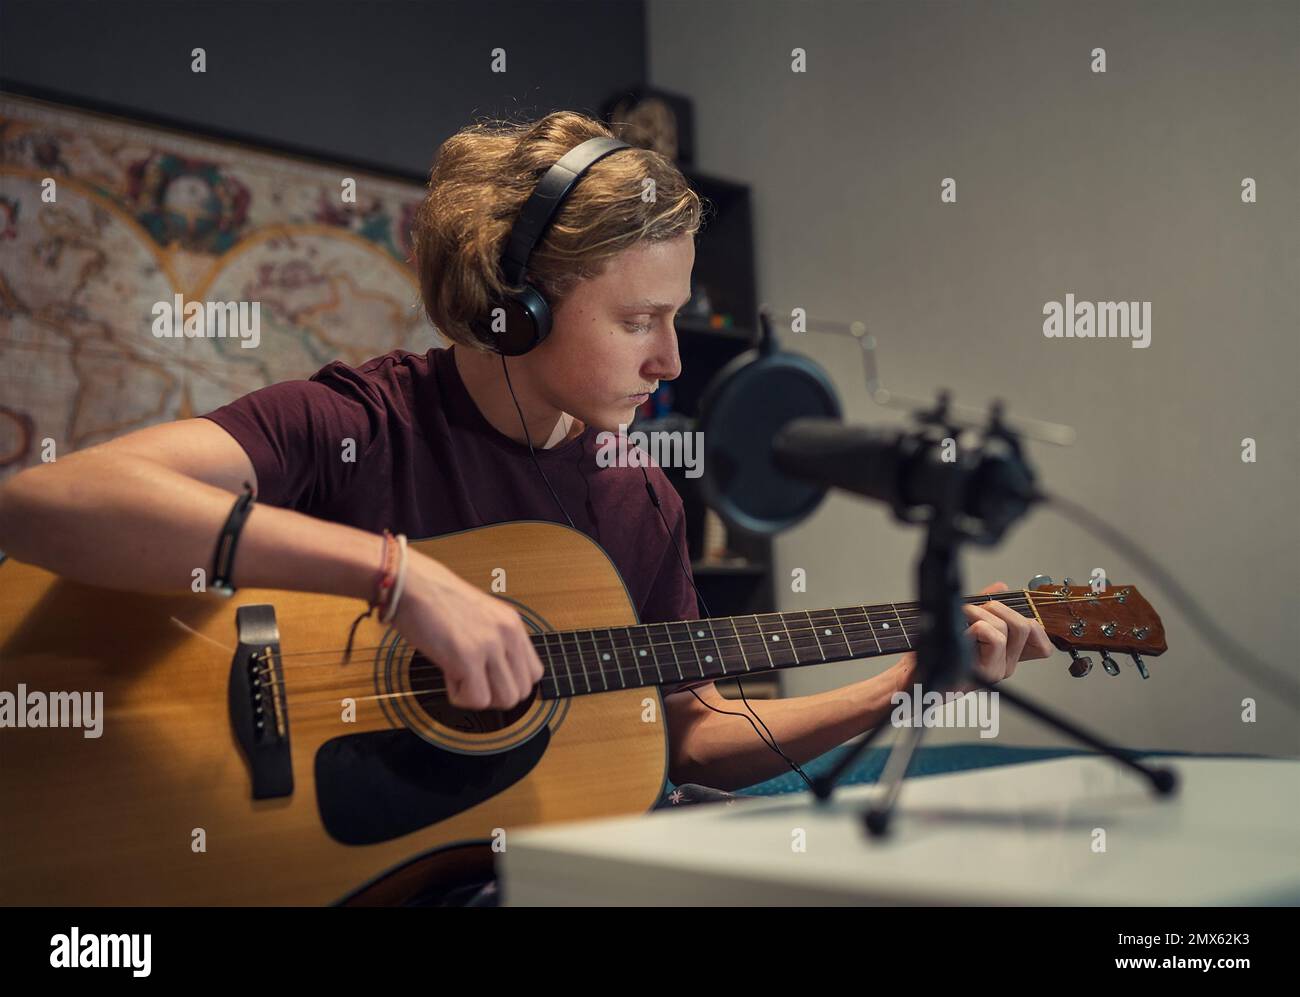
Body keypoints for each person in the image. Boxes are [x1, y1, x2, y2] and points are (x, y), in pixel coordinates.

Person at [0, 111, 1052, 905]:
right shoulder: (358, 418)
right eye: (640, 318)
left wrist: (908, 680)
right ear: (518, 307)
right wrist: (394, 577)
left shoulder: (638, 498)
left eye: (676, 318)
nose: (671, 359)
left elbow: (694, 732)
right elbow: (44, 503)